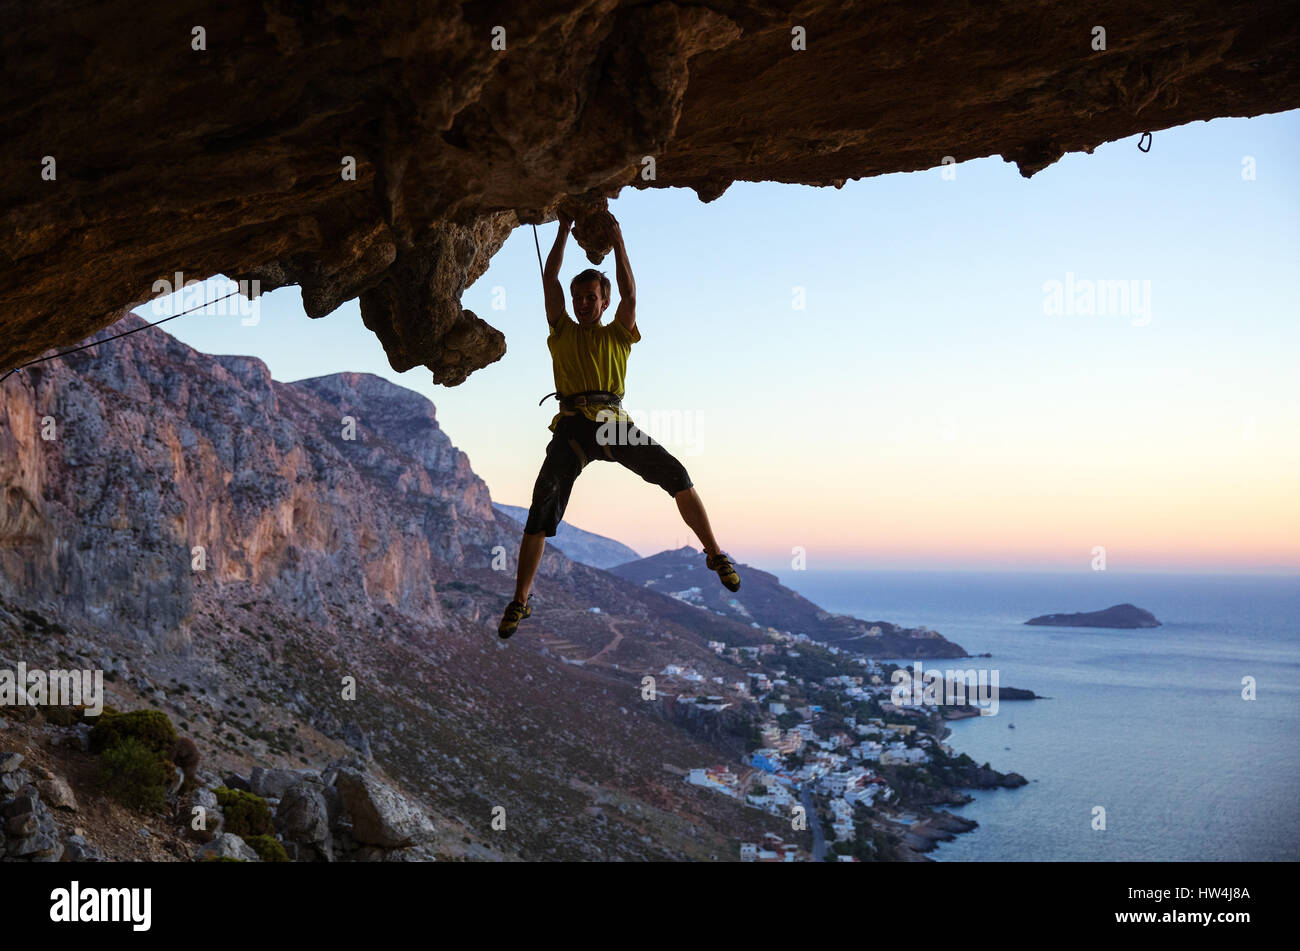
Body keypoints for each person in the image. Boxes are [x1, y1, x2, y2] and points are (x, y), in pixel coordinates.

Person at [498, 210, 740, 638]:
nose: (583, 303)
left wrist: (620, 244)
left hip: (611, 420)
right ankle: (520, 600)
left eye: (591, 297)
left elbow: (630, 292)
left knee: (676, 474)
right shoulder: (562, 331)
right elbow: (550, 278)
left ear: (604, 302)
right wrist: (562, 229)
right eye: (579, 297)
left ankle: (715, 553)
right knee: (541, 506)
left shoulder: (618, 334)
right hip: (572, 426)